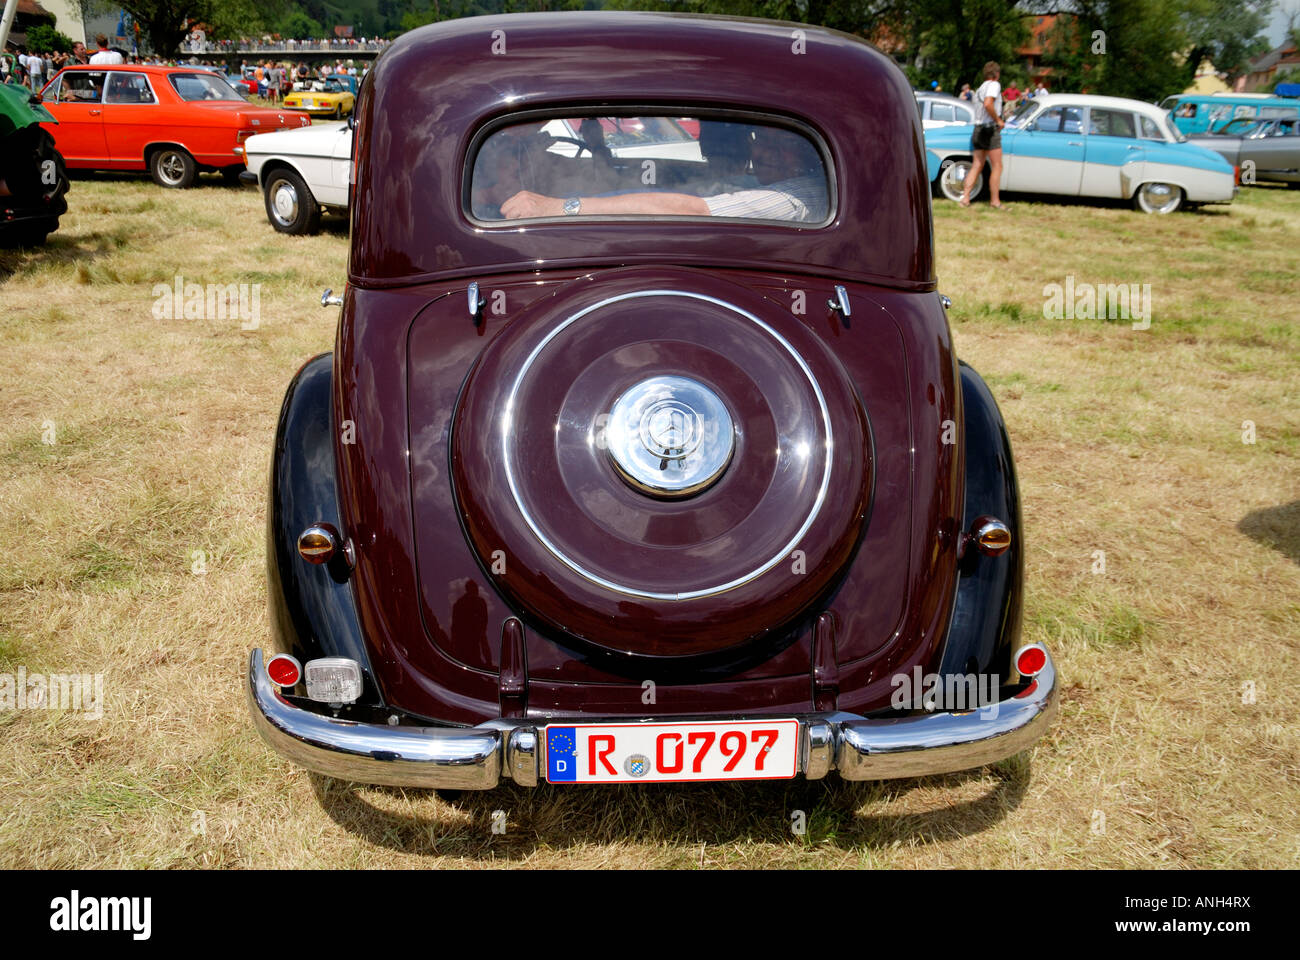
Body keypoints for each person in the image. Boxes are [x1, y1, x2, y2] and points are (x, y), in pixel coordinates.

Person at [499, 124, 826, 222]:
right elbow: (699, 192)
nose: (765, 152)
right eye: (762, 138)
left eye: (781, 143)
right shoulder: (760, 181)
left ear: (807, 150)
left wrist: (561, 207)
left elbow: (695, 208)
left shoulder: (796, 196)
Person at [961, 61, 1004, 209]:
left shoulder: (980, 88)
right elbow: (988, 103)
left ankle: (965, 198)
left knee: (977, 165)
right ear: (996, 74)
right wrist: (998, 120)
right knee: (997, 166)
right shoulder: (994, 85)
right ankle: (995, 201)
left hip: (978, 128)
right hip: (990, 129)